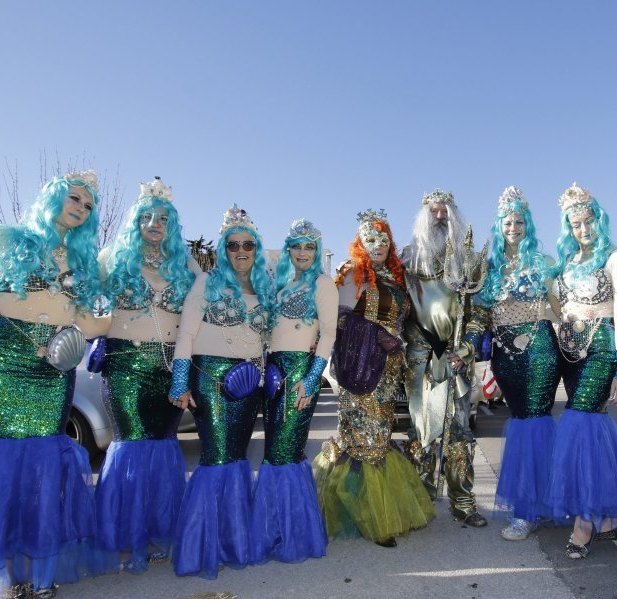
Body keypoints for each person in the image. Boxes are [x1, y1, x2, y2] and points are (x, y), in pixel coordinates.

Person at [0, 171, 110, 599]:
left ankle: (43, 569)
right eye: (74, 198)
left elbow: (97, 321)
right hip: (2, 365)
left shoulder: (83, 261)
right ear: (52, 196)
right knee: (1, 470)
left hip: (53, 371)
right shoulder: (2, 240)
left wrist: (80, 326)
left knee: (45, 469)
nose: (80, 208)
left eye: (88, 206)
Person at [314, 209, 435, 547]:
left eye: (382, 239)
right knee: (360, 435)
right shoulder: (352, 274)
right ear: (360, 244)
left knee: (380, 433)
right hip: (360, 366)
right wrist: (372, 333)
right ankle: (363, 513)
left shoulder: (397, 277)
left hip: (390, 367)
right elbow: (333, 317)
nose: (377, 245)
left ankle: (371, 507)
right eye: (370, 239)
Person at [96, 177, 197, 572]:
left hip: (170, 366)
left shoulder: (184, 264)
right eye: (148, 217)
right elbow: (74, 295)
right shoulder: (113, 258)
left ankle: (159, 532)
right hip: (125, 365)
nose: (155, 224)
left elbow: (207, 302)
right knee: (132, 445)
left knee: (164, 444)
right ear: (136, 220)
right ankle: (124, 537)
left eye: (163, 219)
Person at [169, 206, 271, 578]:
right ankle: (202, 546)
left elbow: (270, 337)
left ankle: (233, 538)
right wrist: (180, 380)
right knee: (216, 455)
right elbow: (186, 333)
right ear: (224, 249)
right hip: (210, 376)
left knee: (237, 455)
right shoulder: (207, 281)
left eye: (248, 244)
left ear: (257, 249)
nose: (241, 250)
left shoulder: (264, 287)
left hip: (248, 381)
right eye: (233, 245)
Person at [545, 184, 617, 559]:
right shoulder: (565, 263)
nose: (583, 228)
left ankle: (585, 520)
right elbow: (555, 303)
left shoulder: (615, 256)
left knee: (578, 421)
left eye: (588, 220)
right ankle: (610, 518)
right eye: (575, 223)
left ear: (599, 218)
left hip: (601, 347)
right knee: (593, 428)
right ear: (568, 226)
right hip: (570, 351)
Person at [473, 186, 561, 541]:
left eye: (520, 221)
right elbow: (479, 313)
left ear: (528, 225)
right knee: (521, 421)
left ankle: (533, 510)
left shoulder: (543, 262)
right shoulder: (488, 267)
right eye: (508, 222)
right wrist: (466, 346)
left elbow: (560, 305)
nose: (514, 227)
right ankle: (534, 505)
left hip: (540, 346)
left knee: (535, 421)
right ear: (499, 226)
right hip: (504, 354)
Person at [400, 189, 488, 528]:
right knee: (421, 432)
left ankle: (463, 502)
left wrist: (464, 349)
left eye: (445, 213)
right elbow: (400, 313)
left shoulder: (469, 262)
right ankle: (419, 500)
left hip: (456, 360)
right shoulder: (408, 260)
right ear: (424, 217)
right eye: (434, 212)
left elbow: (479, 313)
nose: (440, 217)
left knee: (459, 433)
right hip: (421, 358)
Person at [249, 219, 332, 563]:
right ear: (287, 249)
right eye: (296, 246)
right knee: (274, 450)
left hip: (299, 372)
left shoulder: (323, 283)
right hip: (273, 372)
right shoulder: (279, 283)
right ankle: (274, 529)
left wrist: (313, 377)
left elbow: (328, 334)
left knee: (286, 451)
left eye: (309, 246)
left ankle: (292, 535)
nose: (302, 252)